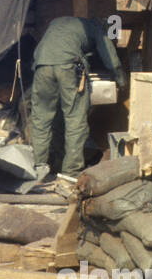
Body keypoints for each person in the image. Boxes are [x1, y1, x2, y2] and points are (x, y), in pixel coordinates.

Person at [25, 16, 126, 178]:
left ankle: (39, 166)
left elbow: (44, 48)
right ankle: (71, 171)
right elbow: (109, 56)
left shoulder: (56, 22)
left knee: (41, 119)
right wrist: (121, 80)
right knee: (75, 120)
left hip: (42, 66)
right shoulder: (94, 26)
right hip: (69, 66)